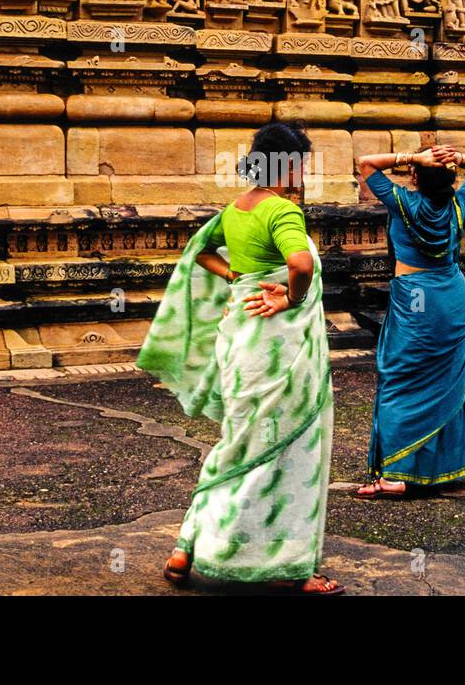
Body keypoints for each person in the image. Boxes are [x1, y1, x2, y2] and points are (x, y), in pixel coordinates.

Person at [138, 122, 342, 594]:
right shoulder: (282, 211)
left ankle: (186, 547)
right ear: (287, 165)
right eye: (301, 164)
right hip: (278, 350)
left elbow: (199, 252)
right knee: (287, 452)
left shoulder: (235, 210)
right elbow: (301, 265)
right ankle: (294, 567)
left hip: (239, 343)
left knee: (238, 443)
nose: (303, 174)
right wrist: (291, 299)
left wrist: (238, 278)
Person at [353, 145, 465, 498]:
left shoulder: (403, 202)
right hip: (453, 299)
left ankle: (397, 473)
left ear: (415, 176)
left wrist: (410, 157)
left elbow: (366, 162)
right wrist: (462, 158)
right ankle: (440, 468)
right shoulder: (459, 206)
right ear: (451, 178)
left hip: (416, 298)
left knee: (400, 377)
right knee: (445, 382)